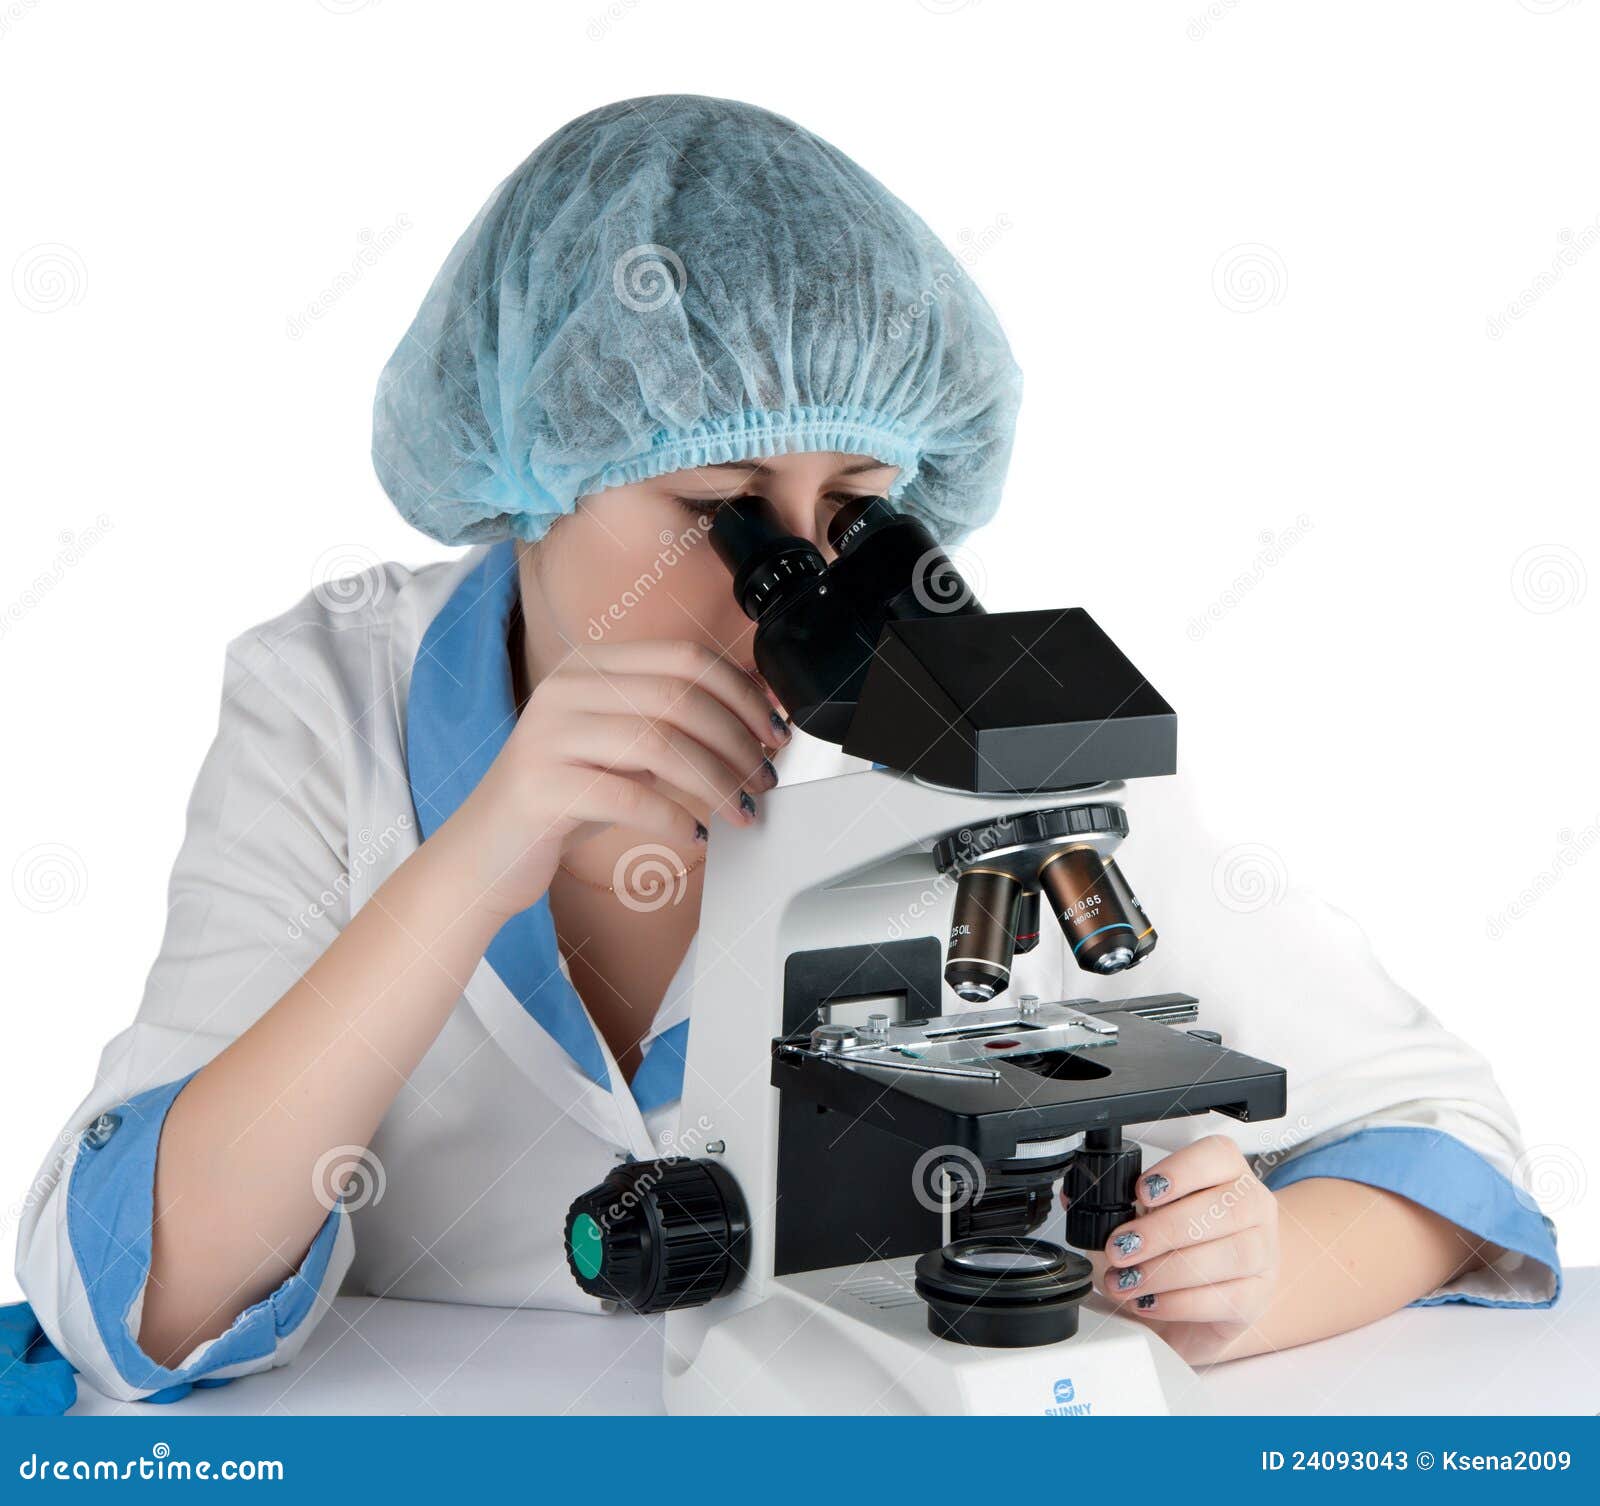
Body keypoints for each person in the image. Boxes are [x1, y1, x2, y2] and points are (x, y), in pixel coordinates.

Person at [12, 95, 1558, 1408]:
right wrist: (482, 848)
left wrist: (1273, 1270)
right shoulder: (324, 698)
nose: (797, 586)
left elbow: (1439, 1131)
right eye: (719, 516)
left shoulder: (972, 701)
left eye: (859, 504)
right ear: (540, 462)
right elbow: (131, 1293)